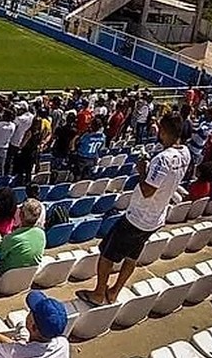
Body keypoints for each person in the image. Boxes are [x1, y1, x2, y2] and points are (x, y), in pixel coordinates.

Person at [79, 112, 190, 307]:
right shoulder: (185, 153)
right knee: (132, 256)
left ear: (164, 131)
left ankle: (98, 294)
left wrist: (142, 171)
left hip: (138, 216)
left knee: (107, 254)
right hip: (155, 218)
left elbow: (147, 190)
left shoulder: (163, 159)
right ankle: (113, 292)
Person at [0, 199, 46, 273]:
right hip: (29, 274)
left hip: (7, 274)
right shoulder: (41, 234)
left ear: (21, 215)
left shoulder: (13, 238)